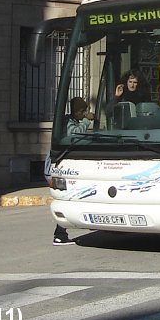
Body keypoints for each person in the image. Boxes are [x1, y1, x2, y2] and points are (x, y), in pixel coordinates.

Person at [54, 97, 94, 246]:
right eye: (81, 111)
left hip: (66, 165)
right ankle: (59, 234)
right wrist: (86, 121)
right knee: (66, 197)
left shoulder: (75, 120)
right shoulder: (68, 122)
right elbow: (74, 135)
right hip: (60, 165)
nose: (83, 114)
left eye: (85, 111)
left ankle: (60, 234)